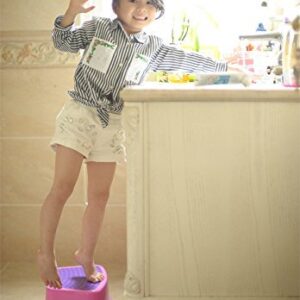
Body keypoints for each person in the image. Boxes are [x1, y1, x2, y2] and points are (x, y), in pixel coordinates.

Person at [37, 0, 240, 290]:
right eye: (134, 0)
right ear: (117, 5)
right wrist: (71, 13)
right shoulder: (98, 28)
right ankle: (45, 253)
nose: (142, 8)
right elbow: (63, 41)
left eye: (150, 3)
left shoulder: (155, 46)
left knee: (99, 196)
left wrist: (225, 66)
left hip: (113, 122)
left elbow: (186, 60)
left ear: (158, 10)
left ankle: (86, 254)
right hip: (81, 112)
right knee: (62, 187)